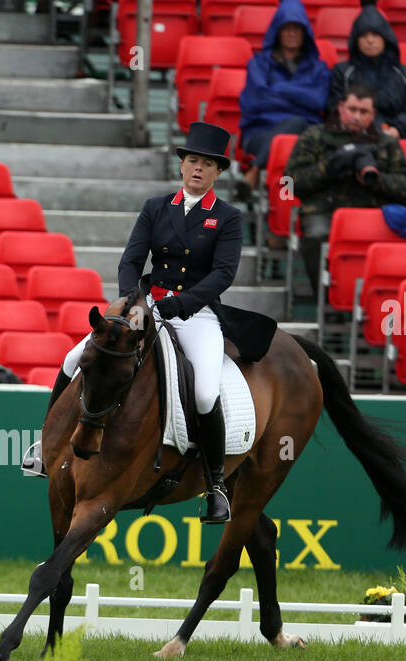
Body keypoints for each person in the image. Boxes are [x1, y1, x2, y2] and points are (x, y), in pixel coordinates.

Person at [23, 122, 261, 524]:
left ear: (218, 172)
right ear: (182, 166)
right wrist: (135, 304)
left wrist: (181, 304)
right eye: (192, 161)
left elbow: (223, 274)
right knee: (71, 358)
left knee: (204, 392)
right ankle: (45, 447)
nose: (198, 169)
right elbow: (131, 260)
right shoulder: (156, 207)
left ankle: (217, 482)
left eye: (207, 164)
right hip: (145, 308)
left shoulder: (227, 218)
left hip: (196, 316)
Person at [285, 82, 406, 295]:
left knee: (402, 239)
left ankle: (380, 301)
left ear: (373, 114)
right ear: (340, 108)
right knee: (316, 235)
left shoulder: (386, 143)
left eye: (363, 112)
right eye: (352, 109)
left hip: (373, 212)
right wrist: (331, 167)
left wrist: (374, 180)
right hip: (325, 210)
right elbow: (291, 182)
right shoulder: (315, 136)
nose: (357, 116)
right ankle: (328, 300)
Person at [238, 0, 330, 190]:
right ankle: (281, 207)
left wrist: (278, 88)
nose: (291, 33)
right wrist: (300, 97)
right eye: (286, 28)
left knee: (296, 127)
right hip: (260, 132)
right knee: (290, 134)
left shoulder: (318, 68)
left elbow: (318, 101)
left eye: (297, 28)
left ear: (305, 33)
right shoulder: (258, 63)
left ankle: (254, 169)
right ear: (276, 31)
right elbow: (256, 102)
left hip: (304, 137)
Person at [325, 2, 406, 141]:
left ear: (385, 38)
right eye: (364, 36)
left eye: (375, 35)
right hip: (352, 138)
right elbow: (334, 109)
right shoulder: (342, 72)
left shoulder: (405, 75)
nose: (370, 40)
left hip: (394, 140)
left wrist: (397, 130)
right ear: (356, 41)